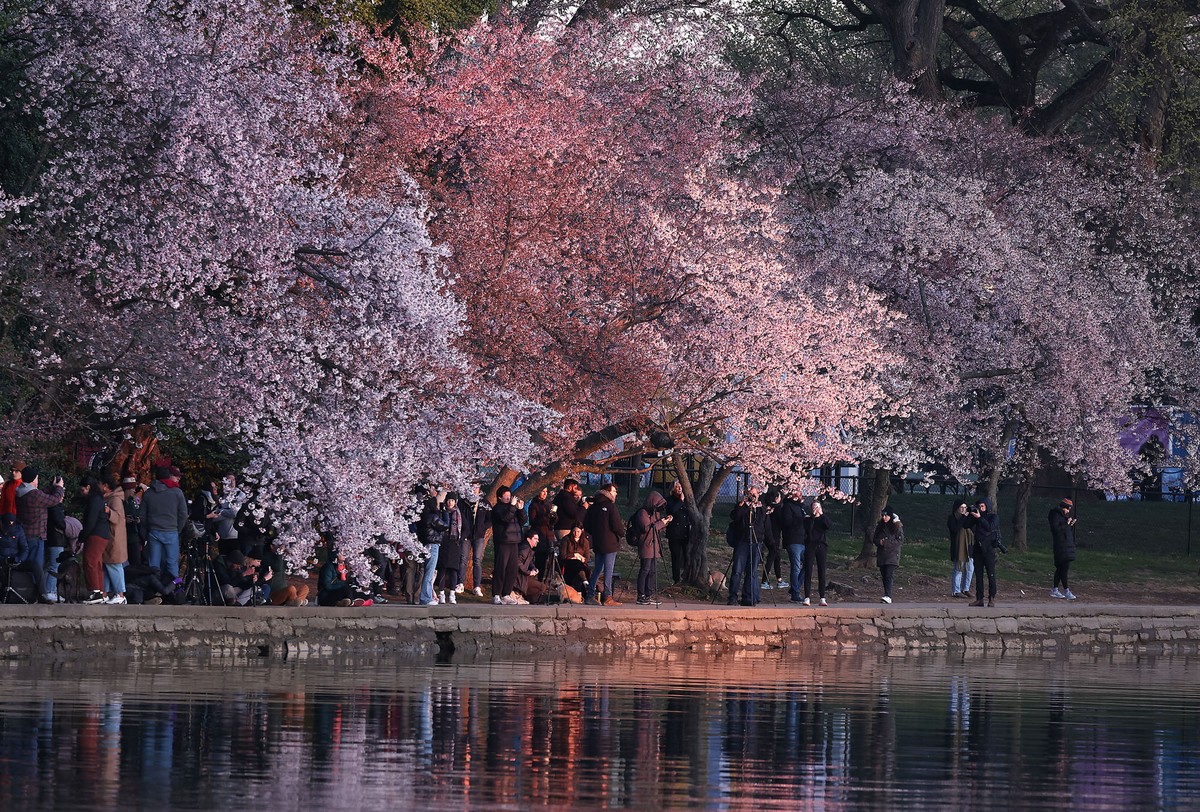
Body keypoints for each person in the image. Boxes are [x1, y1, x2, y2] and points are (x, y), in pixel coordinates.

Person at [16, 468, 64, 603]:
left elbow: (41, 494)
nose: (38, 480)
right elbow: (54, 500)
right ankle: (38, 595)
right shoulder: (34, 495)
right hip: (35, 536)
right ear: (33, 479)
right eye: (37, 478)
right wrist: (59, 488)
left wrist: (51, 487)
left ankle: (27, 592)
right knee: (36, 567)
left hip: (24, 534)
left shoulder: (20, 491)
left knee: (27, 565)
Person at [139, 466, 189, 581]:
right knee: (172, 563)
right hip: (171, 531)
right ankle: (174, 589)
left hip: (153, 531)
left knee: (154, 564)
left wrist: (147, 529)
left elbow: (142, 515)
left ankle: (154, 589)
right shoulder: (177, 492)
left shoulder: (149, 493)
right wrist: (178, 529)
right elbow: (183, 514)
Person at [585, 483, 625, 606]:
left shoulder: (593, 507)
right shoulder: (610, 507)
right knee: (608, 569)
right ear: (608, 492)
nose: (616, 493)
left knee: (598, 569)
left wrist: (596, 533)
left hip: (598, 541)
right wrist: (621, 533)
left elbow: (586, 524)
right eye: (614, 491)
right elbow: (617, 525)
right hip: (610, 542)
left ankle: (590, 594)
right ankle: (608, 596)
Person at [727, 486, 766, 607]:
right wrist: (743, 503)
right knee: (737, 570)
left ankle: (748, 597)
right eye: (750, 494)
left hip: (756, 541)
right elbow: (735, 516)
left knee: (751, 571)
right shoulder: (742, 506)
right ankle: (732, 597)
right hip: (742, 541)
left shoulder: (761, 509)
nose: (752, 497)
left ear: (758, 495)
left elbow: (762, 524)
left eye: (754, 494)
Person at [631, 490, 670, 606]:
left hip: (655, 546)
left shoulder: (655, 513)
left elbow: (657, 528)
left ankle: (649, 594)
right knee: (645, 570)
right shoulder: (642, 513)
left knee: (652, 571)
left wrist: (665, 521)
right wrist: (661, 523)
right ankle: (641, 595)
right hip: (646, 545)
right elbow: (647, 528)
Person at [965, 499, 1006, 607]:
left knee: (991, 574)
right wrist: (970, 514)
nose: (981, 508)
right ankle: (979, 599)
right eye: (979, 506)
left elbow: (990, 527)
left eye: (983, 506)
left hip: (989, 550)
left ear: (987, 506)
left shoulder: (993, 517)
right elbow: (965, 525)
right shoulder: (976, 518)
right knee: (978, 576)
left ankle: (991, 598)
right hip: (978, 550)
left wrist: (979, 518)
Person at [79, 476, 113, 604]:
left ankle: (95, 591)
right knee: (97, 563)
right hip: (102, 534)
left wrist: (82, 537)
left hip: (95, 534)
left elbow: (90, 521)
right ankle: (101, 592)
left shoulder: (93, 501)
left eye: (83, 490)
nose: (82, 494)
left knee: (90, 561)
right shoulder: (99, 499)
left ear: (88, 487)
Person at [491, 486, 525, 604]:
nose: (508, 498)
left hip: (514, 541)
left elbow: (523, 521)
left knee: (512, 569)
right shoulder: (497, 509)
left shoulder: (512, 509)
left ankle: (506, 593)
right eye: (506, 496)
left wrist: (520, 509)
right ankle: (496, 594)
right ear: (500, 497)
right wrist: (512, 507)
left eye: (509, 496)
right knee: (501, 568)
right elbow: (505, 519)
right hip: (503, 541)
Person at [100, 474, 129, 605]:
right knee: (107, 565)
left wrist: (108, 511)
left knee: (115, 565)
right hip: (110, 537)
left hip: (115, 538)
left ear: (105, 486)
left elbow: (117, 517)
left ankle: (120, 594)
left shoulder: (115, 500)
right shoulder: (110, 498)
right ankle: (104, 593)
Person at [0, 513, 43, 599]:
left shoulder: (18, 530)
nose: (8, 531)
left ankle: (42, 594)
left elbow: (24, 548)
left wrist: (18, 559)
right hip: (2, 561)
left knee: (35, 566)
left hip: (15, 560)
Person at [459, 483, 491, 597]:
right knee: (463, 559)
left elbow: (489, 519)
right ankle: (460, 583)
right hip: (466, 534)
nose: (474, 490)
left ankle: (477, 586)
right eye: (472, 487)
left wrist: (482, 528)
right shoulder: (463, 502)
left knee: (477, 560)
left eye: (476, 488)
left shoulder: (484, 503)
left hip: (478, 535)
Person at [418, 488, 448, 607]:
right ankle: (425, 597)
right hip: (433, 544)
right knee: (429, 572)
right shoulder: (433, 517)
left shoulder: (424, 516)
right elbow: (445, 525)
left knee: (427, 571)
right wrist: (444, 510)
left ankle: (427, 596)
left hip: (426, 544)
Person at [776, 490, 808, 603]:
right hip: (793, 540)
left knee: (808, 565)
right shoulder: (788, 506)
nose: (799, 496)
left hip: (803, 540)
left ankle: (795, 586)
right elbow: (787, 523)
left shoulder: (802, 507)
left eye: (800, 494)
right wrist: (801, 520)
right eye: (797, 494)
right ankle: (795, 593)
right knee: (796, 566)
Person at [257, 539, 310, 606]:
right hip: (273, 594)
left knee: (305, 587)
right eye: (279, 545)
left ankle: (296, 600)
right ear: (272, 546)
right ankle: (298, 601)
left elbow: (291, 568)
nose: (282, 547)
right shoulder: (267, 557)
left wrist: (291, 554)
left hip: (284, 590)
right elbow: (277, 567)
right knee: (291, 589)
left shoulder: (283, 557)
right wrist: (279, 553)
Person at [1049, 498, 1078, 600]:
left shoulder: (1062, 517)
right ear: (1063, 507)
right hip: (1061, 547)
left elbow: (1064, 530)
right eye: (1068, 509)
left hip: (1065, 547)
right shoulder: (1055, 515)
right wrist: (1066, 524)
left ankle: (1055, 589)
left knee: (1061, 569)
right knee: (1063, 569)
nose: (1068, 511)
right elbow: (1057, 529)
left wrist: (1069, 525)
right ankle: (1066, 590)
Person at [663, 480, 691, 585]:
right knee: (676, 556)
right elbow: (672, 510)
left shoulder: (687, 500)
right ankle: (676, 579)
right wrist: (680, 501)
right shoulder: (669, 500)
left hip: (685, 532)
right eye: (677, 487)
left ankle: (686, 576)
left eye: (680, 487)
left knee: (687, 555)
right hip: (674, 533)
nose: (679, 489)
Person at [803, 500, 831, 606]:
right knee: (808, 571)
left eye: (818, 507)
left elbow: (828, 525)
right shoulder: (807, 520)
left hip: (821, 546)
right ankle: (807, 597)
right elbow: (808, 530)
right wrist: (813, 517)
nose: (816, 509)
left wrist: (821, 514)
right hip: (810, 546)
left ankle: (822, 597)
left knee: (822, 571)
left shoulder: (823, 519)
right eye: (814, 507)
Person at [873, 508, 903, 604]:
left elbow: (899, 540)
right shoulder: (880, 526)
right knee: (884, 575)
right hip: (882, 555)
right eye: (883, 515)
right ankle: (886, 593)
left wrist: (886, 543)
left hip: (892, 555)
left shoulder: (896, 526)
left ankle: (888, 595)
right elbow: (875, 538)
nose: (884, 517)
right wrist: (879, 542)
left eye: (886, 515)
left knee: (889, 575)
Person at [438, 494, 463, 605]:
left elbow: (462, 527)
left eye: (452, 500)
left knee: (454, 570)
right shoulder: (442, 512)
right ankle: (441, 593)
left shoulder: (457, 513)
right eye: (448, 500)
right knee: (443, 568)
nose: (450, 503)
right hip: (444, 542)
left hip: (455, 542)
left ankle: (452, 594)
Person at [947, 499, 974, 598]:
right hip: (958, 548)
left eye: (965, 508)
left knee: (970, 568)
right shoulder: (952, 518)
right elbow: (955, 529)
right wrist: (964, 517)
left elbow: (972, 529)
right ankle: (956, 590)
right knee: (958, 569)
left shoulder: (968, 518)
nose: (963, 510)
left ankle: (965, 588)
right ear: (957, 509)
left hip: (968, 547)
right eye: (961, 508)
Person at [760, 490, 785, 591]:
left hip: (767, 534)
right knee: (772, 555)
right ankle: (764, 580)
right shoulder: (778, 508)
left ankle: (779, 579)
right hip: (774, 535)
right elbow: (782, 521)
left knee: (777, 556)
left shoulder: (766, 507)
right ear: (776, 498)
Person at [527, 486, 555, 574]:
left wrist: (554, 517)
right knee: (540, 559)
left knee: (548, 558)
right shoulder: (534, 505)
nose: (545, 493)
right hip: (539, 534)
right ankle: (537, 577)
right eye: (543, 491)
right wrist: (545, 517)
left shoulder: (548, 504)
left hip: (548, 534)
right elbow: (532, 521)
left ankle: (544, 579)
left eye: (546, 491)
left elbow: (552, 522)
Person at [514, 530, 541, 605]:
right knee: (541, 587)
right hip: (518, 577)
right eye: (535, 539)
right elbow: (518, 562)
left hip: (521, 576)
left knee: (541, 586)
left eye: (538, 539)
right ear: (528, 539)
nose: (537, 541)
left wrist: (533, 568)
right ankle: (516, 595)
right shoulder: (525, 548)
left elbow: (529, 561)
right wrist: (528, 572)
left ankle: (519, 596)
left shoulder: (527, 548)